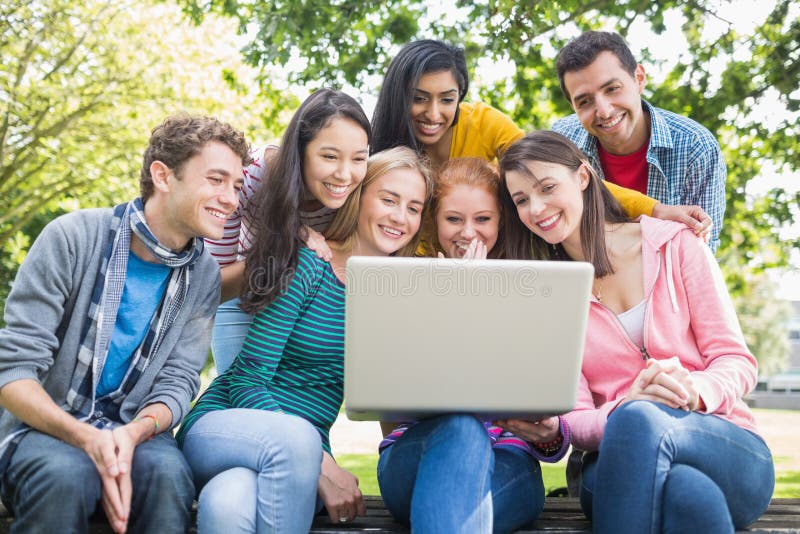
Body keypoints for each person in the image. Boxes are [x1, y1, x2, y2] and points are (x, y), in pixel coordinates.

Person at [498, 130, 774, 533]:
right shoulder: (546, 296)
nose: (536, 208)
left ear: (583, 177)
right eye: (521, 200)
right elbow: (577, 419)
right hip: (616, 460)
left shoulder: (676, 245)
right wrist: (629, 404)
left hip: (724, 445)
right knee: (686, 492)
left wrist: (693, 390)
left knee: (645, 426)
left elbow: (735, 360)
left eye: (547, 187)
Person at [0, 115, 251, 533]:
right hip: (45, 426)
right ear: (163, 176)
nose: (230, 199)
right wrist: (86, 438)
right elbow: (14, 372)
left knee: (168, 479)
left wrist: (132, 434)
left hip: (135, 430)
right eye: (216, 180)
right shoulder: (71, 238)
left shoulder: (203, 274)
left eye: (237, 186)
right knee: (66, 476)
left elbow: (179, 381)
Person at [177, 146, 432, 534]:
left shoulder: (398, 297)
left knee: (226, 502)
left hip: (305, 452)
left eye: (414, 208)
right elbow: (246, 380)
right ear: (359, 197)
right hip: (228, 423)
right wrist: (320, 464)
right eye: (389, 199)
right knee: (292, 448)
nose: (400, 216)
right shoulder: (311, 262)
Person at [371, 38, 712, 255]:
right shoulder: (384, 155)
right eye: (419, 99)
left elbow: (563, 179)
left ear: (460, 95)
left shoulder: (485, 123)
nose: (433, 114)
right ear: (399, 97)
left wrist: (654, 209)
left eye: (447, 99)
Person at [377, 156, 570, 534]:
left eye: (482, 219)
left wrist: (551, 433)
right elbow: (392, 397)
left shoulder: (531, 294)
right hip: (417, 455)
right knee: (463, 429)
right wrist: (458, 299)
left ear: (500, 221)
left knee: (458, 502)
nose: (468, 232)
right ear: (434, 221)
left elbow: (555, 431)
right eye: (454, 219)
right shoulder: (404, 287)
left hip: (507, 460)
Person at [206, 88, 371, 373]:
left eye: (358, 158)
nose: (345, 175)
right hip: (245, 298)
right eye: (330, 157)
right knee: (240, 390)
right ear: (300, 151)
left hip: (310, 312)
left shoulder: (362, 190)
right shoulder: (252, 175)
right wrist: (287, 244)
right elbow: (213, 286)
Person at [552, 30, 727, 251]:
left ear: (639, 79)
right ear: (573, 107)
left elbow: (701, 250)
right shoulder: (562, 141)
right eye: (585, 101)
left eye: (612, 89)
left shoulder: (696, 147)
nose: (604, 112)